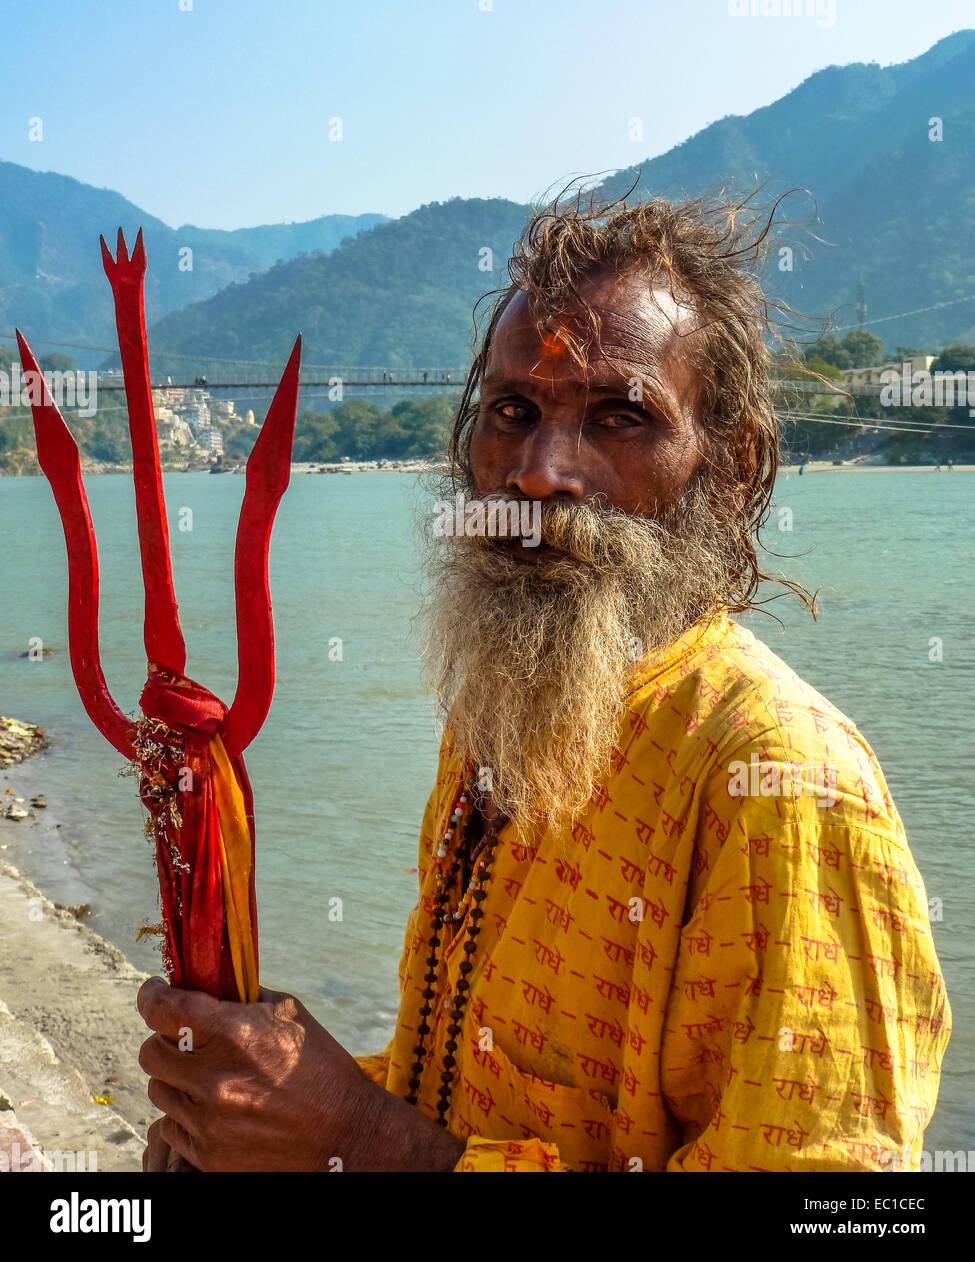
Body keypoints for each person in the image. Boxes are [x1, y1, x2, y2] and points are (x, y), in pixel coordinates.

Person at [138, 190, 951, 1173]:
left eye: (619, 417)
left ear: (725, 469)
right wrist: (261, 1118)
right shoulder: (501, 719)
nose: (539, 472)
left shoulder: (779, 779)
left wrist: (358, 1140)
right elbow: (461, 1086)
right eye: (513, 411)